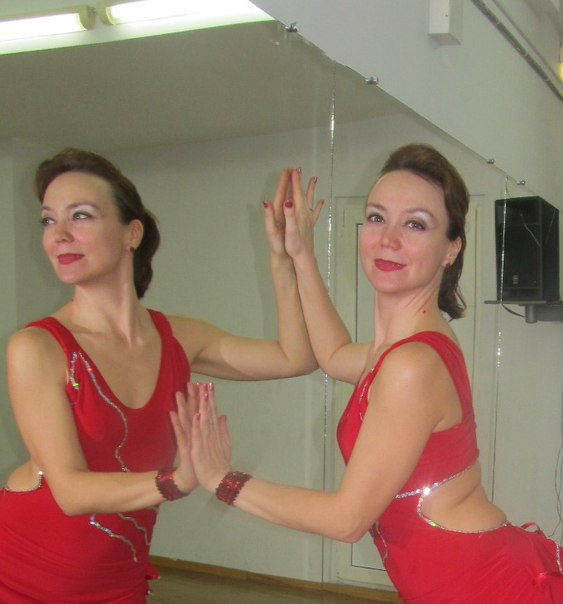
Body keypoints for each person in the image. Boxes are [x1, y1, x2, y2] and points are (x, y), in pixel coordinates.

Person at [188, 143, 563, 603]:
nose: (388, 239)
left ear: (451, 249)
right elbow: (332, 354)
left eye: (415, 224)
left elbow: (346, 520)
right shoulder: (398, 352)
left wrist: (222, 480)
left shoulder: (411, 365)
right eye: (377, 217)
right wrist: (297, 255)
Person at [0, 148, 320, 603]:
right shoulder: (37, 347)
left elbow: (295, 358)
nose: (60, 235)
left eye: (81, 216)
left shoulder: (178, 339)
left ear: (131, 233)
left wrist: (286, 260)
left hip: (119, 578)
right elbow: (69, 491)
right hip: (22, 574)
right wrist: (177, 479)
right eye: (48, 221)